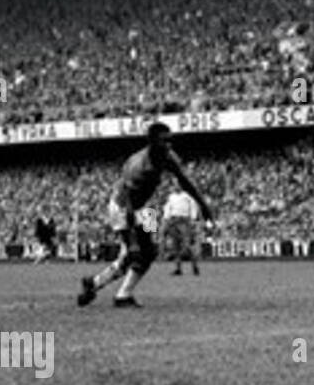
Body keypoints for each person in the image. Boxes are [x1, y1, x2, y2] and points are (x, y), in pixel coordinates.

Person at [77, 123, 213, 308]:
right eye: (164, 141)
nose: (169, 145)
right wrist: (131, 239)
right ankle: (116, 293)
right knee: (135, 253)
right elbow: (128, 202)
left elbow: (185, 181)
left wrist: (203, 205)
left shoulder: (169, 157)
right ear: (152, 142)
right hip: (122, 207)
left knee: (148, 252)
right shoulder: (138, 165)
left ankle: (98, 285)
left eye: (170, 140)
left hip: (146, 207)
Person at [163, 185, 203, 277]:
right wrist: (166, 219)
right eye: (174, 185)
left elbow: (193, 206)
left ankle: (195, 266)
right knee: (175, 245)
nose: (175, 187)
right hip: (174, 221)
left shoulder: (187, 196)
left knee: (187, 245)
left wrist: (193, 219)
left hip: (184, 221)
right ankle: (178, 269)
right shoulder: (171, 196)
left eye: (177, 185)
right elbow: (168, 208)